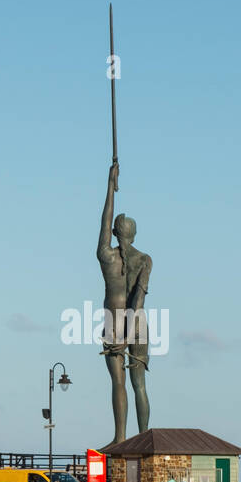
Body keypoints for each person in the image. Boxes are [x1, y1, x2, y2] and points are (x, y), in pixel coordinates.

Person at [97, 161, 152, 445]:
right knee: (139, 384)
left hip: (113, 322)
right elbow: (138, 302)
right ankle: (143, 440)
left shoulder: (107, 256)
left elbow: (104, 222)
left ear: (116, 233)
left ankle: (121, 438)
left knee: (119, 382)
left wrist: (110, 185)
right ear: (134, 234)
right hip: (138, 323)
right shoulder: (145, 259)